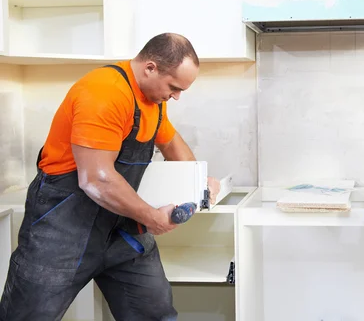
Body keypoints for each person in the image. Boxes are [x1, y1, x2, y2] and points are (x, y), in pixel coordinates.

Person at [0, 32, 220, 321]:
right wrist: (152, 217)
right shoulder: (105, 92)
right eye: (174, 87)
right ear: (150, 67)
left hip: (122, 231)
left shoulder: (153, 100)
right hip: (62, 231)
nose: (176, 96)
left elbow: (170, 143)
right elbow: (96, 179)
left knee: (155, 314)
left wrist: (198, 183)